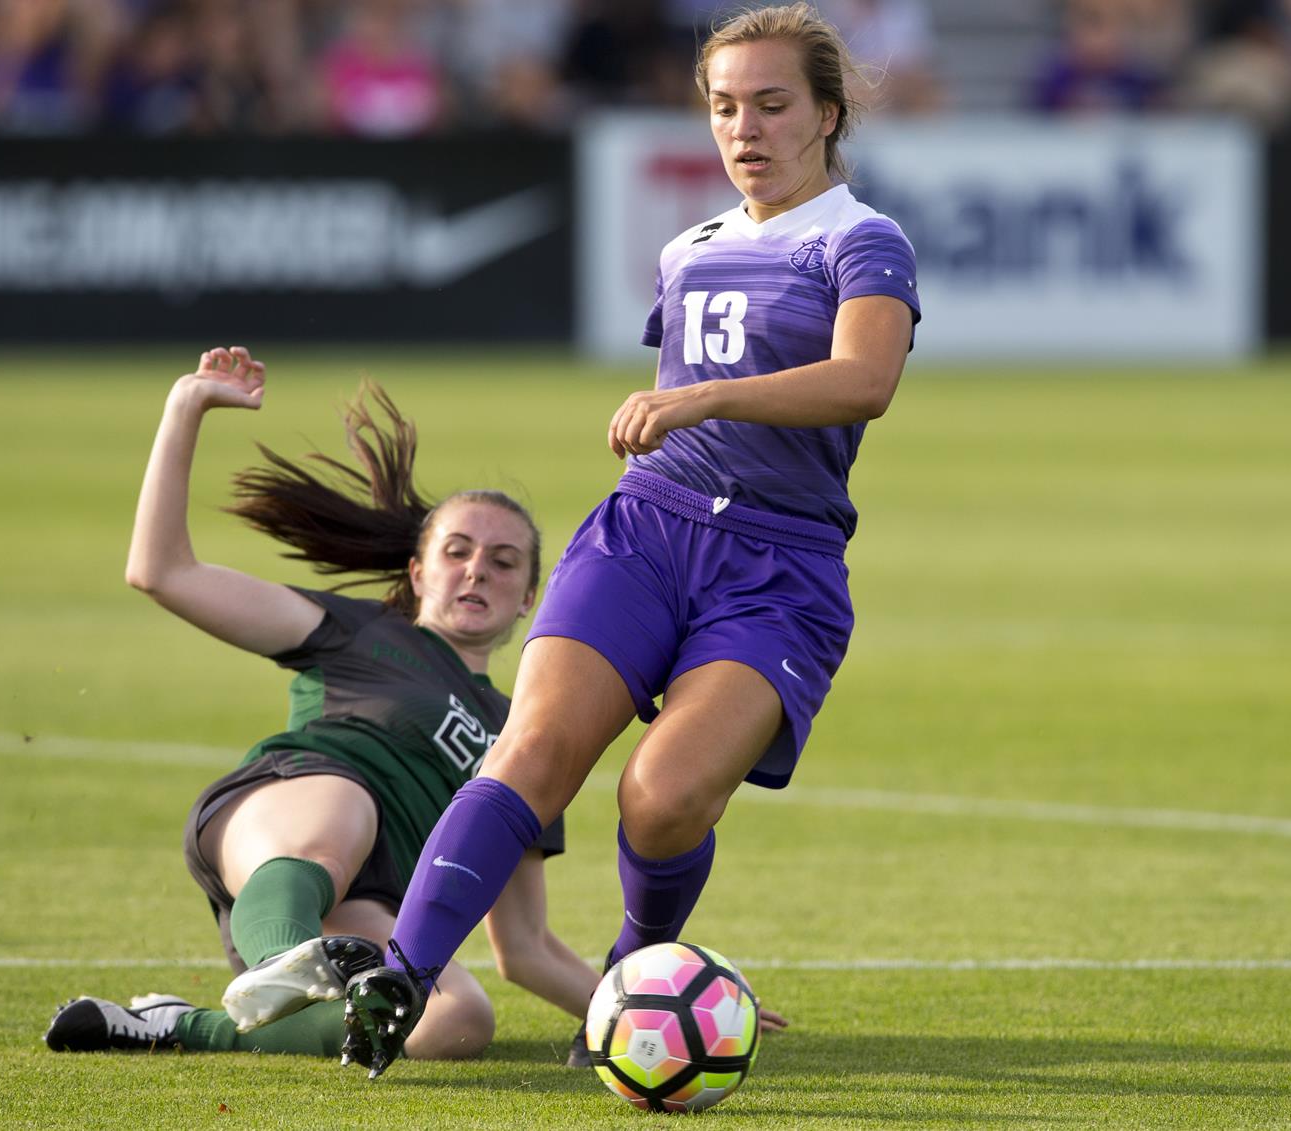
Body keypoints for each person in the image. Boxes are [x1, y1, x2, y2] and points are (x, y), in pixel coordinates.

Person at [305, 2, 919, 1078]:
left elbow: (864, 382)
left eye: (773, 106)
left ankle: (633, 990)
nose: (745, 129)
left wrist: (695, 401)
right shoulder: (688, 248)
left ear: (826, 114)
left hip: (778, 568)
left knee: (664, 794)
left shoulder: (861, 240)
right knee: (533, 753)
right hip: (646, 530)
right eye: (724, 107)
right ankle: (399, 976)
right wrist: (685, 416)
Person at [42, 347, 601, 1063]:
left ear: (529, 597)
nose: (476, 569)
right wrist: (186, 406)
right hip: (281, 820)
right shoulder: (362, 631)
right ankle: (280, 962)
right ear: (417, 571)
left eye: (503, 561)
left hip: (362, 908)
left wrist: (645, 1000)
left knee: (455, 1017)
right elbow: (161, 570)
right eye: (457, 550)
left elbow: (525, 947)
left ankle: (180, 1026)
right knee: (349, 806)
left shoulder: (530, 730)